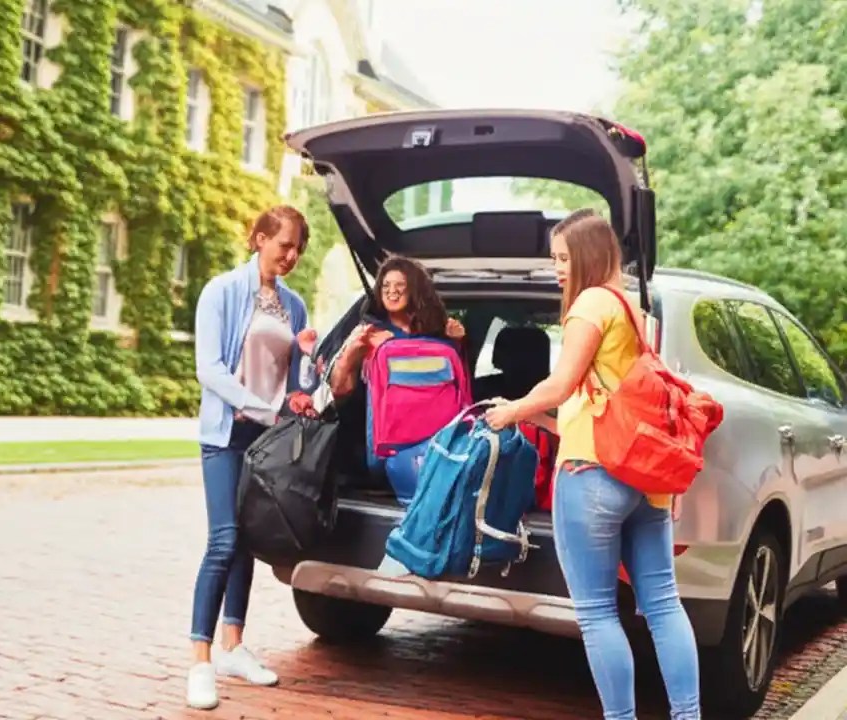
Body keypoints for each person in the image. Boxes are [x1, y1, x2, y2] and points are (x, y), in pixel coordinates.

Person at [485, 209, 700, 720]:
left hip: (592, 479)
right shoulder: (635, 313)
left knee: (599, 612)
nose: (556, 268)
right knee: (664, 604)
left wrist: (511, 409)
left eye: (562, 257)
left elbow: (560, 385)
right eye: (554, 259)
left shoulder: (589, 305)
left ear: (586, 255)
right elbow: (596, 408)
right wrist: (537, 421)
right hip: (642, 480)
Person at [186, 205, 318, 710]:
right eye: (284, 244)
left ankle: (234, 647)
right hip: (227, 436)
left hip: (265, 443)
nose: (292, 255)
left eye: (298, 248)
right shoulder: (221, 291)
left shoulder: (295, 306)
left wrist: (307, 360)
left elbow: (298, 383)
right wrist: (264, 409)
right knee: (222, 540)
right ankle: (200, 661)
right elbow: (210, 369)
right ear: (259, 238)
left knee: (247, 540)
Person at [327, 254, 465, 400]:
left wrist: (459, 342)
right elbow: (339, 389)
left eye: (400, 285)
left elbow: (457, 385)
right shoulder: (369, 332)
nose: (391, 291)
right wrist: (353, 350)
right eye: (385, 285)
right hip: (388, 419)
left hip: (435, 418)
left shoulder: (437, 332)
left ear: (414, 289)